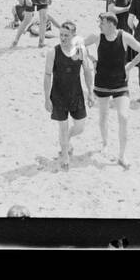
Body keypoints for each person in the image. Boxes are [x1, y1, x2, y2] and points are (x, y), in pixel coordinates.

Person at [84, 12, 140, 167]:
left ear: (111, 24)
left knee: (123, 117)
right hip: (102, 83)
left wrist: (129, 67)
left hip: (120, 84)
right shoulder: (97, 37)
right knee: (103, 115)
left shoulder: (124, 36)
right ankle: (105, 143)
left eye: (102, 23)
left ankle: (122, 155)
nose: (99, 25)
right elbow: (80, 45)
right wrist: (92, 60)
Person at [44, 19, 94, 170]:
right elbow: (47, 76)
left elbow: (86, 71)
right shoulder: (53, 52)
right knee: (63, 127)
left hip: (76, 94)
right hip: (58, 95)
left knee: (80, 126)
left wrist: (90, 92)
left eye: (66, 35)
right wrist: (47, 98)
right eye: (61, 35)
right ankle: (65, 155)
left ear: (74, 36)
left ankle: (67, 140)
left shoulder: (81, 51)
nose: (63, 38)